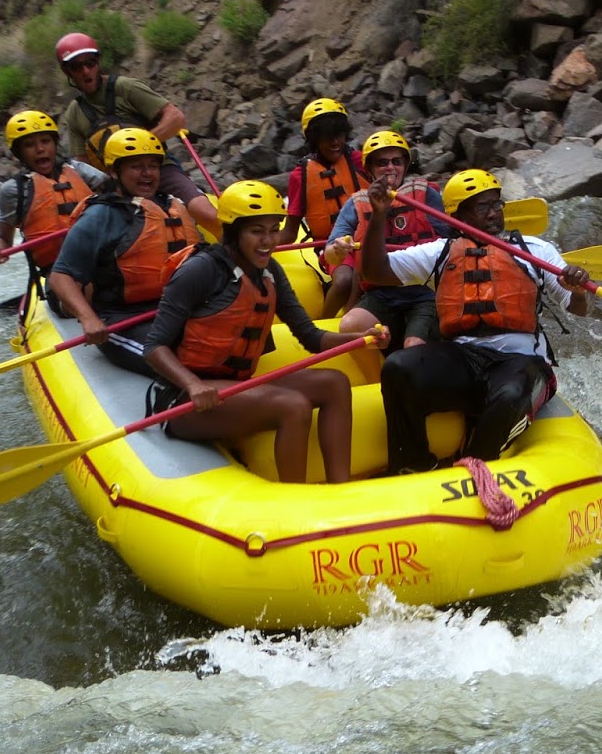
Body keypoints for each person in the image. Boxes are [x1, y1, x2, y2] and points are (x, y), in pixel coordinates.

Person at [143, 181, 385, 484]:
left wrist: (361, 341)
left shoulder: (271, 272)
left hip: (234, 386)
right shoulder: (200, 270)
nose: (268, 240)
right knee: (292, 406)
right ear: (233, 232)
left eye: (274, 229)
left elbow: (311, 337)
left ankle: (341, 486)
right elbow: (153, 347)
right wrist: (192, 385)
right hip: (183, 399)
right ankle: (294, 503)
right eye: (256, 231)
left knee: (334, 383)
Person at [357, 169, 592, 474]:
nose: (494, 213)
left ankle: (476, 466)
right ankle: (413, 463)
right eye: (482, 207)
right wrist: (378, 216)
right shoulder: (441, 252)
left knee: (508, 396)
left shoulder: (534, 250)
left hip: (520, 362)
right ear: (460, 215)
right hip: (465, 360)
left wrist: (578, 290)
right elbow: (374, 272)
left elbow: (578, 308)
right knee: (399, 367)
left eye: (497, 204)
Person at [48, 128, 200, 377]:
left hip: (174, 309)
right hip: (124, 320)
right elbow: (60, 276)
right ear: (114, 172)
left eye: (153, 165)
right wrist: (88, 318)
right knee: (185, 361)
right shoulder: (101, 215)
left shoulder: (173, 206)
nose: (147, 173)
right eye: (136, 166)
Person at [53, 32, 220, 239]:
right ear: (67, 71)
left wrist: (142, 149)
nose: (86, 71)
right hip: (117, 184)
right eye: (77, 67)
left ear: (98, 62)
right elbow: (82, 164)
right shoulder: (75, 112)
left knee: (203, 212)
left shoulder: (126, 88)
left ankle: (242, 248)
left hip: (159, 168)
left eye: (90, 63)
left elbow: (175, 118)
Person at [326, 130, 448, 351]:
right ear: (370, 169)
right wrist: (338, 250)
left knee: (414, 346)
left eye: (397, 162)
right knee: (350, 326)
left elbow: (449, 242)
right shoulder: (357, 203)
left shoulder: (425, 195)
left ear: (405, 165)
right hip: (381, 292)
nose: (390, 168)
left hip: (423, 291)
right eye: (382, 163)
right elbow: (330, 251)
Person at [0, 110, 109, 310]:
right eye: (29, 145)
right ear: (19, 153)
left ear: (54, 144)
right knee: (90, 287)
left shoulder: (79, 171)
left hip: (104, 262)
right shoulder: (14, 190)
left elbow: (119, 195)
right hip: (61, 275)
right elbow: (4, 240)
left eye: (45, 141)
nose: (40, 149)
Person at [276, 98, 367, 318]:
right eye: (328, 136)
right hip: (333, 247)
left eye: (340, 134)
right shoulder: (301, 176)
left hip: (370, 237)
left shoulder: (359, 160)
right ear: (314, 139)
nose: (336, 142)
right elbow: (290, 232)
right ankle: (324, 324)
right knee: (346, 280)